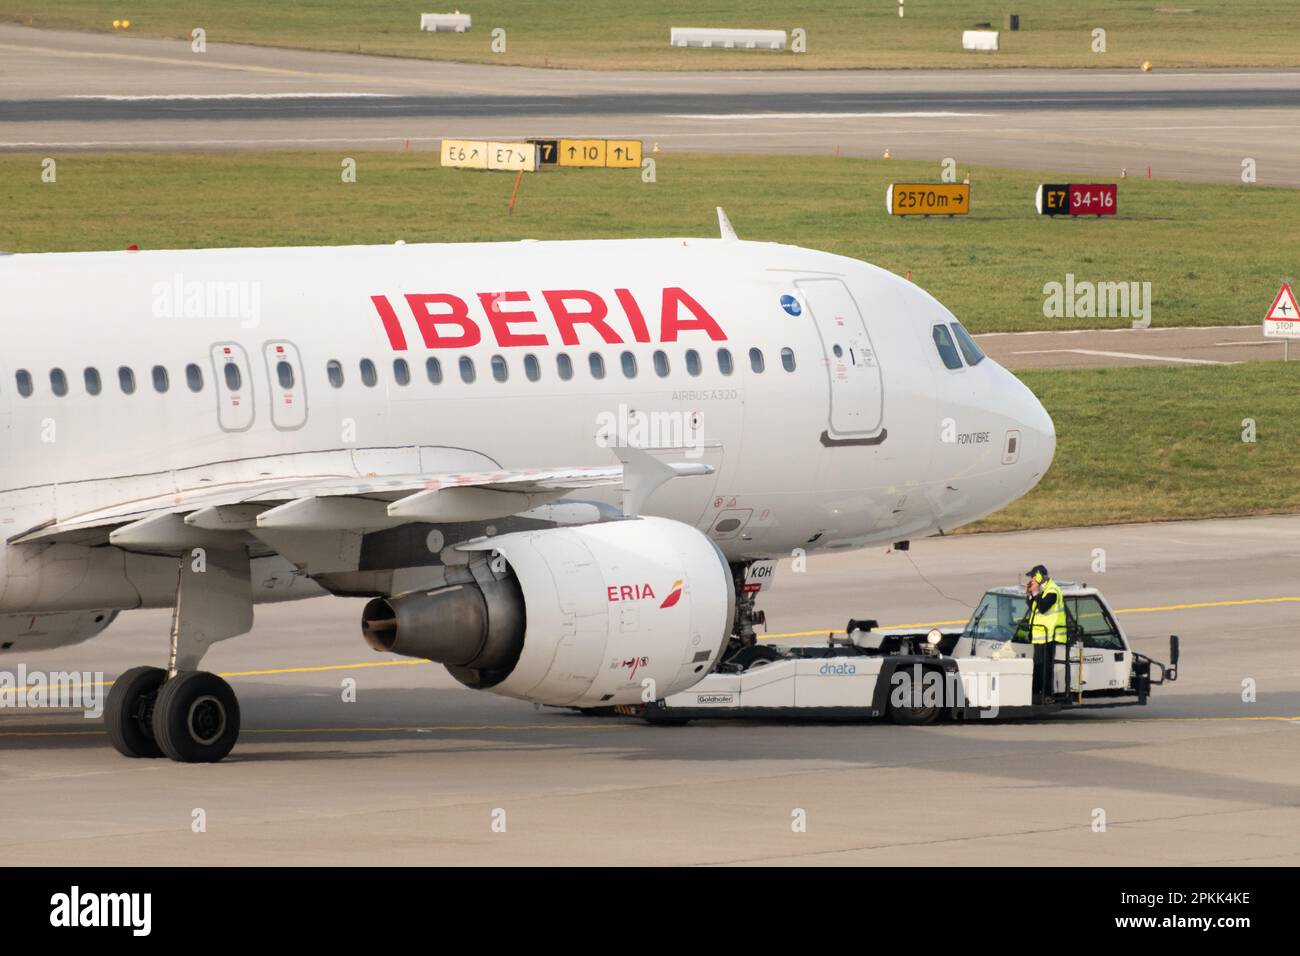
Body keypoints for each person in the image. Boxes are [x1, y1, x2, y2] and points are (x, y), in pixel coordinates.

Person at [1024, 565, 1066, 700]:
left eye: (1032, 576)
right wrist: (1030, 594)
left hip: (1050, 635)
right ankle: (1036, 693)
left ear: (1040, 577)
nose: (1031, 579)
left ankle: (1047, 695)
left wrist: (1036, 593)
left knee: (1046, 667)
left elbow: (1042, 608)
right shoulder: (1042, 590)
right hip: (1040, 636)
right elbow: (1034, 607)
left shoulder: (1053, 591)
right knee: (1038, 666)